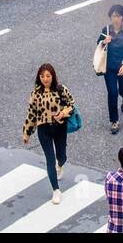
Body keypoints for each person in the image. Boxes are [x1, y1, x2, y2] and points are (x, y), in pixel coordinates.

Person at [21, 63, 76, 204]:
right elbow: (31, 114)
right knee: (50, 159)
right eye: (42, 76)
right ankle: (56, 190)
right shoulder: (35, 94)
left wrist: (63, 113)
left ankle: (61, 164)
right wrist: (27, 132)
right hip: (43, 129)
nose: (45, 79)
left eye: (48, 76)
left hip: (59, 128)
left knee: (61, 155)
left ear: (53, 76)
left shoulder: (60, 89)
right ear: (39, 77)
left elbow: (72, 104)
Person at [96, 4, 123, 134]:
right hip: (109, 68)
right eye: (113, 16)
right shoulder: (106, 30)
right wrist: (104, 42)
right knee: (112, 93)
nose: (116, 18)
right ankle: (114, 121)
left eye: (118, 16)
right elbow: (98, 45)